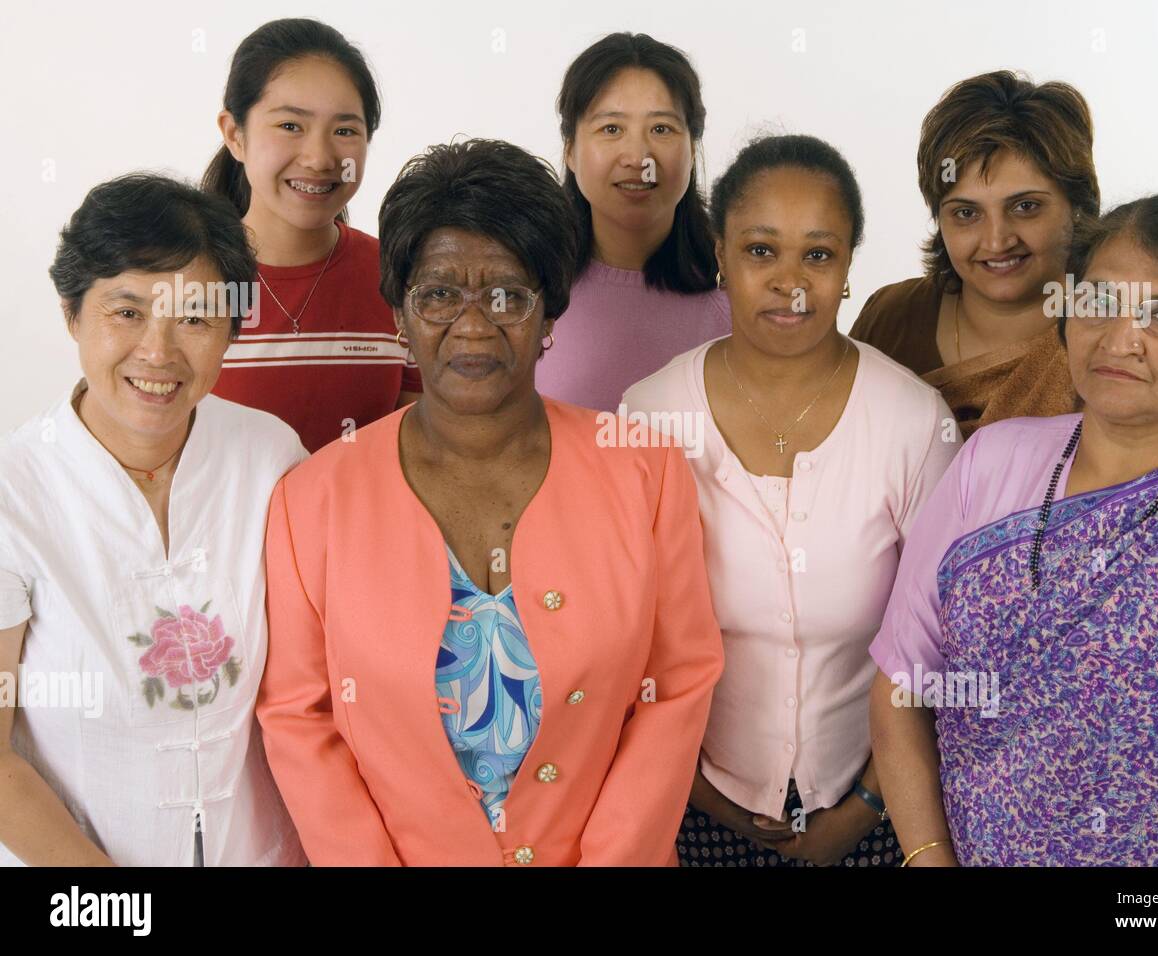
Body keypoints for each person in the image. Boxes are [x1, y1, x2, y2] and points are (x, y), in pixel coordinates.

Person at [256, 139, 725, 866]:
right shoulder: (311, 502)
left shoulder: (645, 472)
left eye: (507, 293)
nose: (473, 324)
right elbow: (297, 718)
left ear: (549, 316)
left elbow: (678, 686)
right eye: (439, 293)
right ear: (401, 317)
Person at [869, 194, 1158, 866]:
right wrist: (929, 858)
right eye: (1100, 302)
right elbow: (901, 686)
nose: (1122, 338)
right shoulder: (991, 461)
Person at [624, 134, 960, 867]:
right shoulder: (648, 414)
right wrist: (697, 793)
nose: (790, 281)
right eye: (759, 251)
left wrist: (867, 805)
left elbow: (941, 643)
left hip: (877, 812)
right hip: (689, 805)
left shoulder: (911, 419)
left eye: (818, 254)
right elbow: (622, 637)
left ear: (847, 268)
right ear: (719, 254)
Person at [0, 174, 307, 866]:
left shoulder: (270, 457)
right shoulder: (13, 494)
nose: (159, 352)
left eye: (195, 318)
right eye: (127, 312)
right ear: (72, 313)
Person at [852, 71, 1158, 437]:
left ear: (1078, 206)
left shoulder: (1129, 330)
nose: (996, 241)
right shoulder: (893, 315)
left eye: (1025, 207)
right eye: (966, 213)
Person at [202, 18, 422, 452]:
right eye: (290, 126)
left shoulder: (399, 278)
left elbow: (414, 447)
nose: (320, 158)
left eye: (345, 131)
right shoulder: (186, 280)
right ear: (235, 134)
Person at [536, 32, 731, 411]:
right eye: (611, 129)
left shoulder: (738, 290)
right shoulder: (528, 287)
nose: (638, 156)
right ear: (571, 151)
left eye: (661, 129)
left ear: (692, 148)